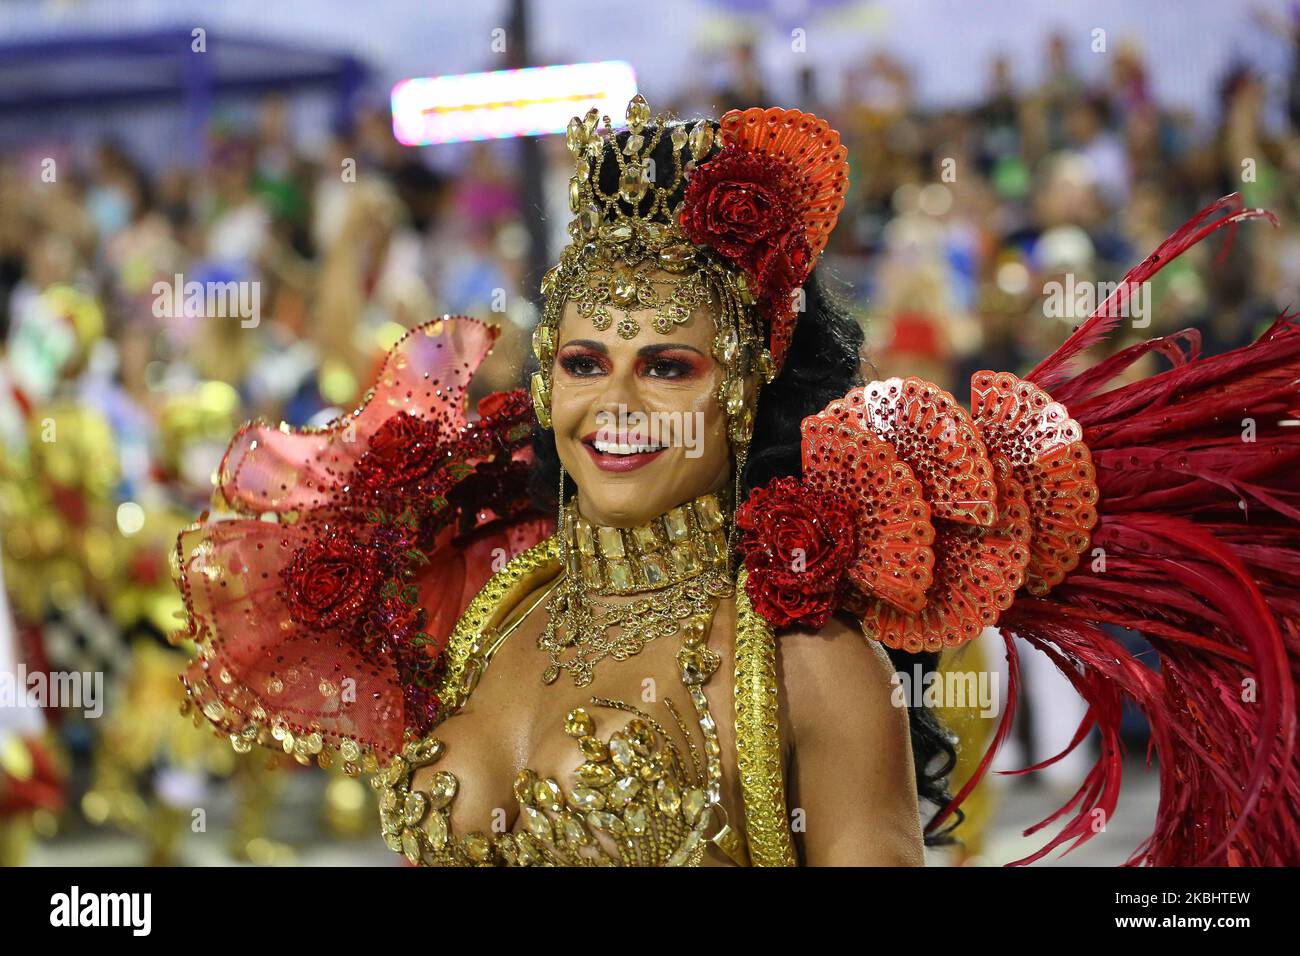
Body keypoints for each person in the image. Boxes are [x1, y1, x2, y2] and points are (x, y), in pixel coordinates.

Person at [175, 96, 1300, 867]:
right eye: (582, 362)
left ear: (750, 389)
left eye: (668, 366)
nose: (612, 404)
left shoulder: (805, 659)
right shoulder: (487, 603)